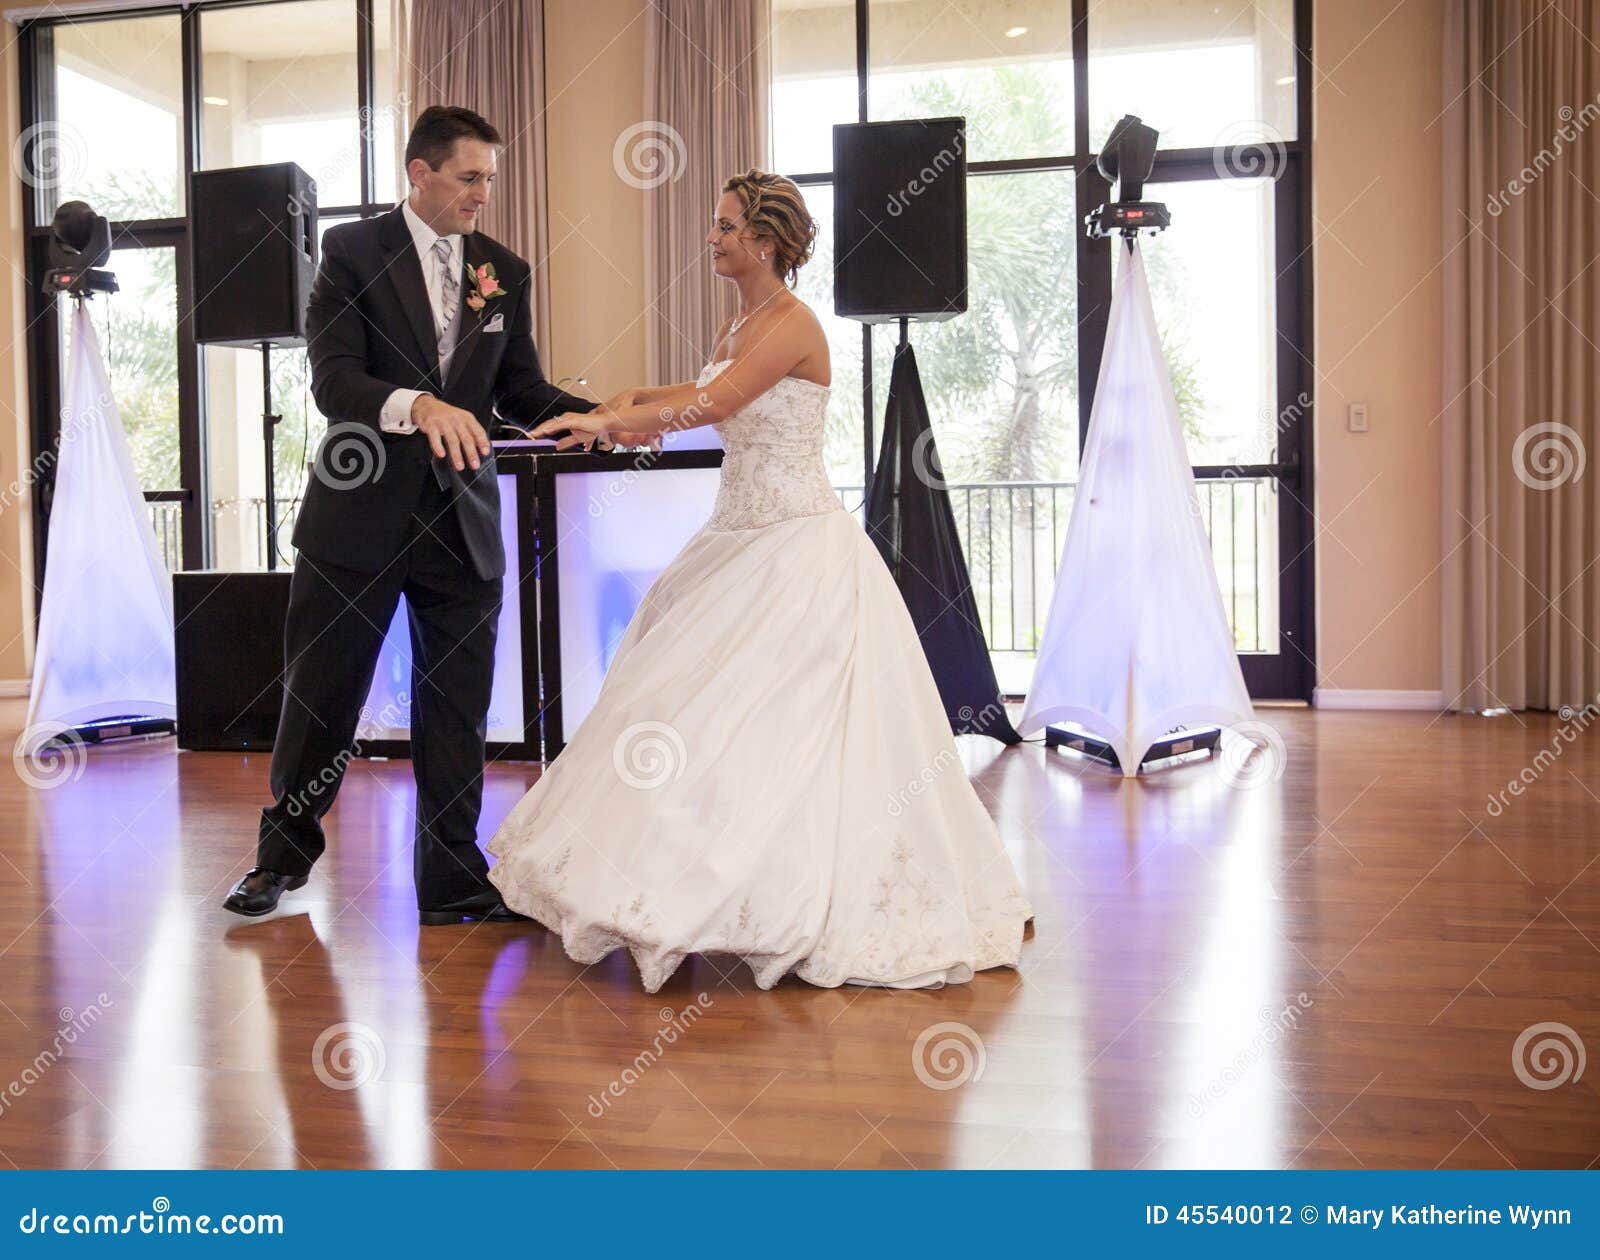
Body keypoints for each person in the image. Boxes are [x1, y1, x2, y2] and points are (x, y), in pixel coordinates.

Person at [486, 170, 1033, 990]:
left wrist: (611, 420)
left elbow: (715, 404)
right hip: (735, 535)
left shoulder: (793, 322)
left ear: (764, 241)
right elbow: (680, 392)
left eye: (725, 226)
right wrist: (606, 406)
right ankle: (677, 877)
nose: (711, 238)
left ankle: (777, 890)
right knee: (676, 707)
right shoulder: (743, 319)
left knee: (775, 723)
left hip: (796, 544)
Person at [224, 106, 597, 924]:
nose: (483, 196)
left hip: (461, 526)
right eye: (470, 178)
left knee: (456, 709)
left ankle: (451, 882)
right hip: (356, 522)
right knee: (322, 699)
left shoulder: (505, 269)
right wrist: (422, 404)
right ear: (418, 172)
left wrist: (596, 415)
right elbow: (335, 381)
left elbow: (520, 392)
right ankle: (279, 863)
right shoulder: (352, 251)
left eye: (491, 180)